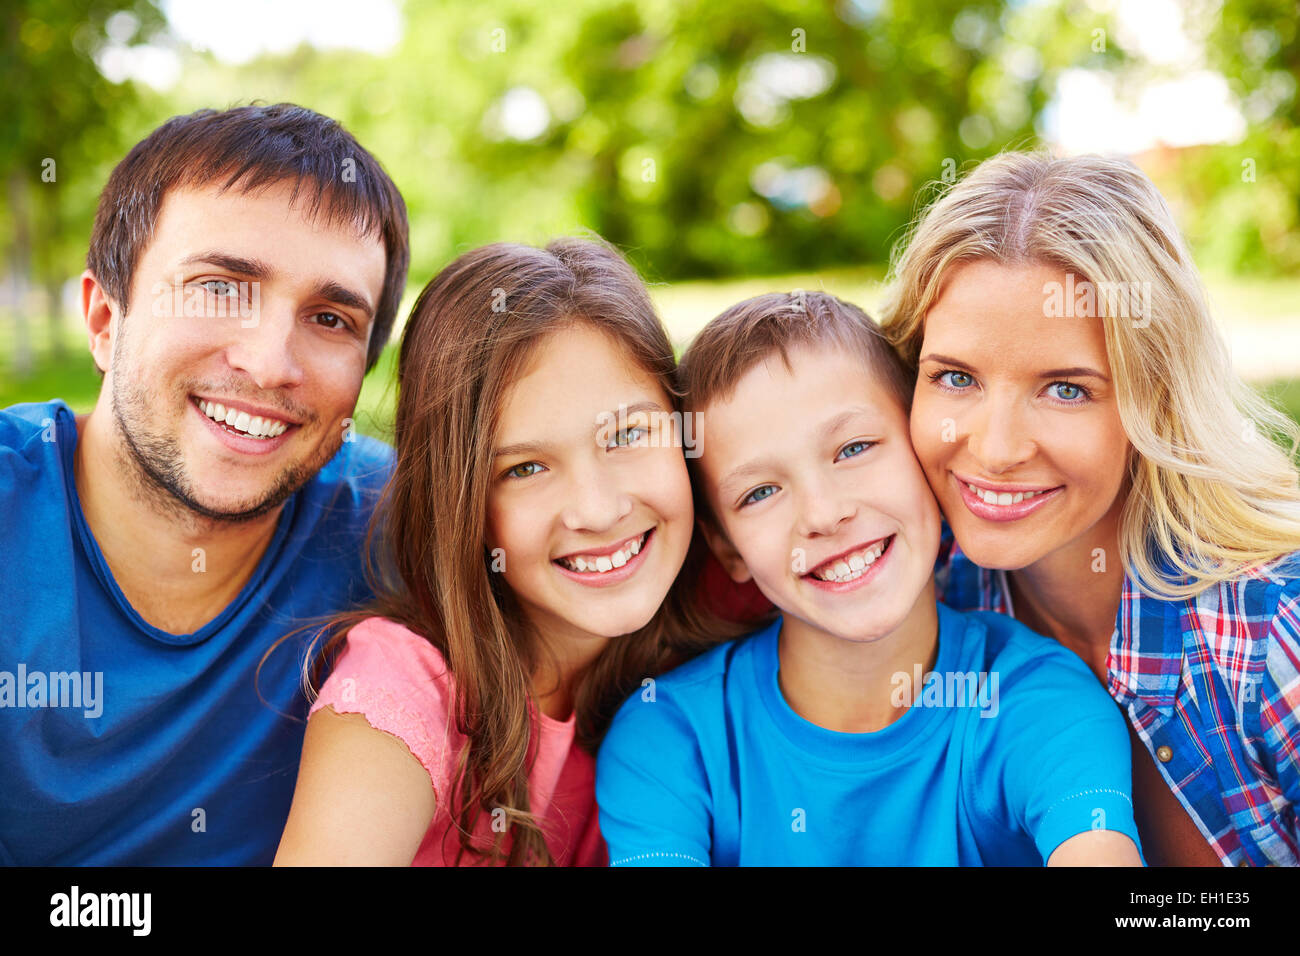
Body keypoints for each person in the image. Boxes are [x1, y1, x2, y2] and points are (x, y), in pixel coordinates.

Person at [596, 291, 1144, 866]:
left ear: (924, 453)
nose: (823, 513)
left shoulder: (1033, 697)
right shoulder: (668, 736)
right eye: (760, 492)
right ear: (728, 549)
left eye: (854, 448)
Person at [0, 103, 409, 865]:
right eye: (221, 287)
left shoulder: (400, 528)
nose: (270, 362)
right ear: (103, 318)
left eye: (329, 319)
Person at [880, 151, 1300, 866]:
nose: (998, 448)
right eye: (955, 377)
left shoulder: (1270, 630)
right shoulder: (919, 598)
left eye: (1065, 388)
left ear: (1154, 400)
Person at [274, 238, 739, 866]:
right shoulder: (403, 691)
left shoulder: (731, 602)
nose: (598, 509)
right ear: (462, 507)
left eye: (628, 434)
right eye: (525, 468)